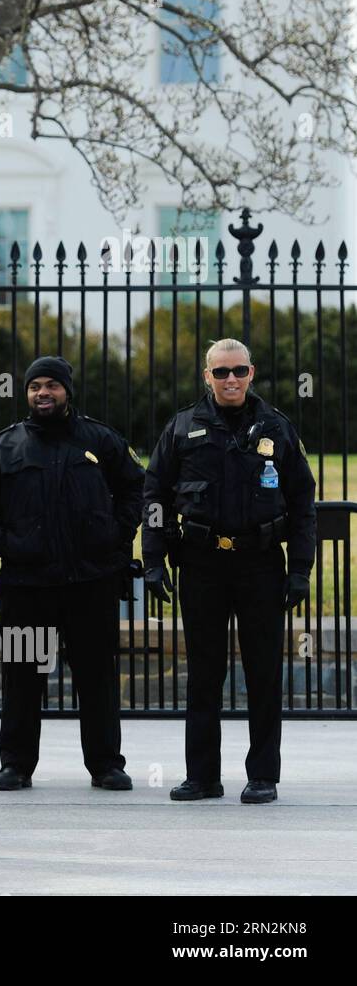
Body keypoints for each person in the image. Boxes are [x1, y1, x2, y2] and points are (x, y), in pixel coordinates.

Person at [0, 356, 144, 793]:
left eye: (52, 386)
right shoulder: (3, 448)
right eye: (35, 386)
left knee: (97, 677)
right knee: (23, 676)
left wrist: (115, 536)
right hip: (28, 586)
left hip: (91, 582)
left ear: (67, 391)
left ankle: (105, 765)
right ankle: (16, 764)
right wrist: (5, 545)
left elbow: (136, 487)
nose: (43, 393)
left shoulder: (101, 440)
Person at [143, 338, 316, 804]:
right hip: (201, 564)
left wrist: (300, 567)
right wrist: (154, 560)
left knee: (262, 672)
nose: (231, 379)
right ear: (207, 376)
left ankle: (263, 775)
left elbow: (303, 502)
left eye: (238, 370)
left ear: (252, 372)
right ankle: (202, 776)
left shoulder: (276, 427)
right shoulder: (182, 427)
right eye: (221, 372)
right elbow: (155, 495)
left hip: (260, 563)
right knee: (203, 673)